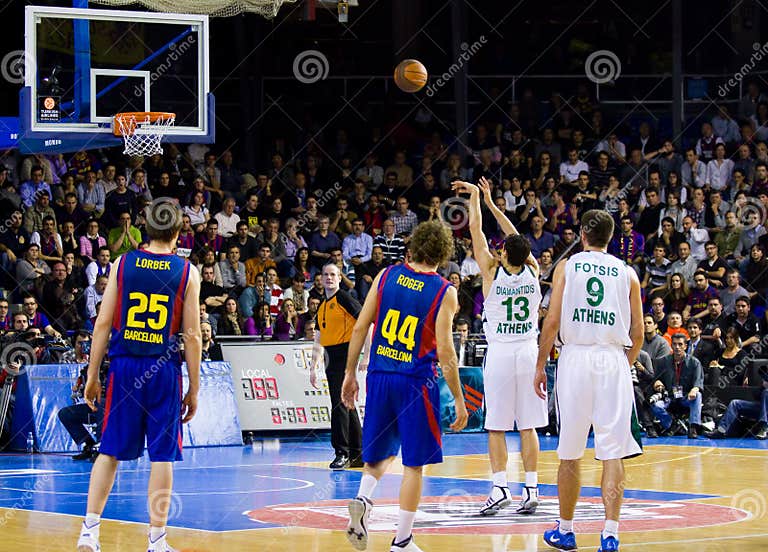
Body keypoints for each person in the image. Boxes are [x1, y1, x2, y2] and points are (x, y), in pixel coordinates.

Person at [76, 200, 201, 552]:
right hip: (163, 371)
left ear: (146, 227)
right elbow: (193, 335)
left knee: (109, 451)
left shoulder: (122, 263)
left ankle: (89, 531)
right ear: (178, 232)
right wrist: (195, 385)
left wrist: (91, 374)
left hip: (124, 367)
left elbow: (102, 323)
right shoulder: (187, 272)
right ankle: (157, 540)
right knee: (162, 456)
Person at [341, 219, 467, 552]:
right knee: (414, 464)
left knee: (380, 452)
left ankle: (363, 499)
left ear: (412, 247)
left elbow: (359, 328)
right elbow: (445, 350)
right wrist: (459, 397)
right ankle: (402, 541)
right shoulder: (444, 290)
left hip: (380, 374)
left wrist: (349, 373)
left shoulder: (385, 276)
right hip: (415, 382)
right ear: (443, 253)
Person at [534, 209, 643, 552]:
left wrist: (540, 366)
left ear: (582, 234)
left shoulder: (568, 266)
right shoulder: (628, 274)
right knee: (612, 453)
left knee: (570, 452)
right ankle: (609, 534)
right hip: (613, 359)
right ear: (610, 238)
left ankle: (566, 530)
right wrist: (621, 365)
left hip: (576, 357)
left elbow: (551, 323)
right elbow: (638, 334)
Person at [455, 178, 547, 515]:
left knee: (495, 425)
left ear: (504, 252)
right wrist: (496, 205)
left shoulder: (492, 271)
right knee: (529, 426)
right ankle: (533, 488)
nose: (498, 247)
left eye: (502, 246)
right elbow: (515, 238)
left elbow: (476, 231)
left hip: (501, 353)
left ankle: (499, 488)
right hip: (529, 352)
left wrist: (478, 199)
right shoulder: (533, 270)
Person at [310, 263, 365, 470]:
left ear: (340, 278)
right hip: (330, 357)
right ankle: (358, 453)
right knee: (347, 404)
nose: (329, 278)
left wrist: (365, 354)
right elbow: (318, 337)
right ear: (321, 279)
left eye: (333, 274)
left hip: (345, 354)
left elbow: (365, 322)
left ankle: (341, 452)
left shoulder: (344, 298)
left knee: (339, 404)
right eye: (326, 275)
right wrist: (313, 366)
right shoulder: (323, 305)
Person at [651, 333, 704, 439]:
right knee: (655, 405)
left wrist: (694, 389)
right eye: (674, 344)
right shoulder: (663, 361)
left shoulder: (694, 363)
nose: (677, 347)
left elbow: (698, 381)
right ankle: (672, 424)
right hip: (669, 397)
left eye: (680, 344)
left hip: (685, 397)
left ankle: (693, 427)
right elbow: (655, 379)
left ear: (685, 346)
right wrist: (656, 383)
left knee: (697, 395)